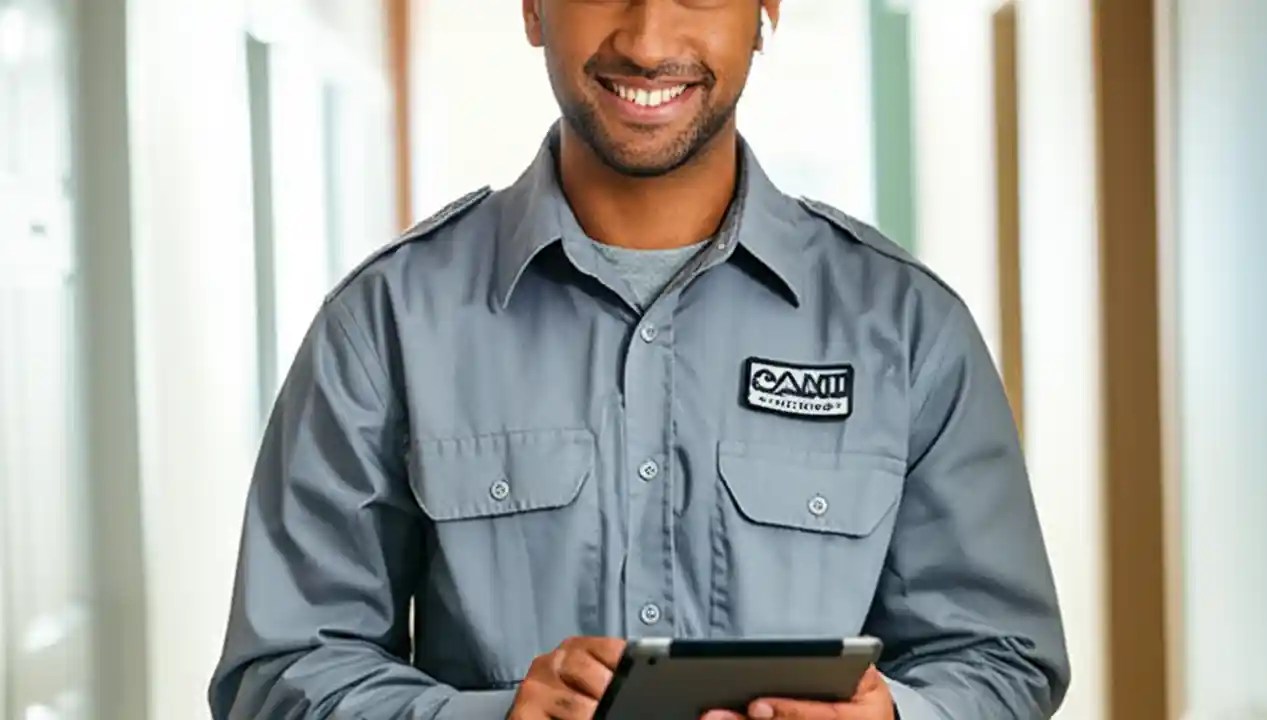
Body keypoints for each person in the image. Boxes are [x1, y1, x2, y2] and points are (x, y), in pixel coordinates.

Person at [209, 1, 1070, 718]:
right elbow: (279, 672)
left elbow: (1003, 659)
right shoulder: (385, 324)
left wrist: (894, 718)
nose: (648, 41)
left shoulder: (909, 328)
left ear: (767, 7)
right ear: (533, 6)